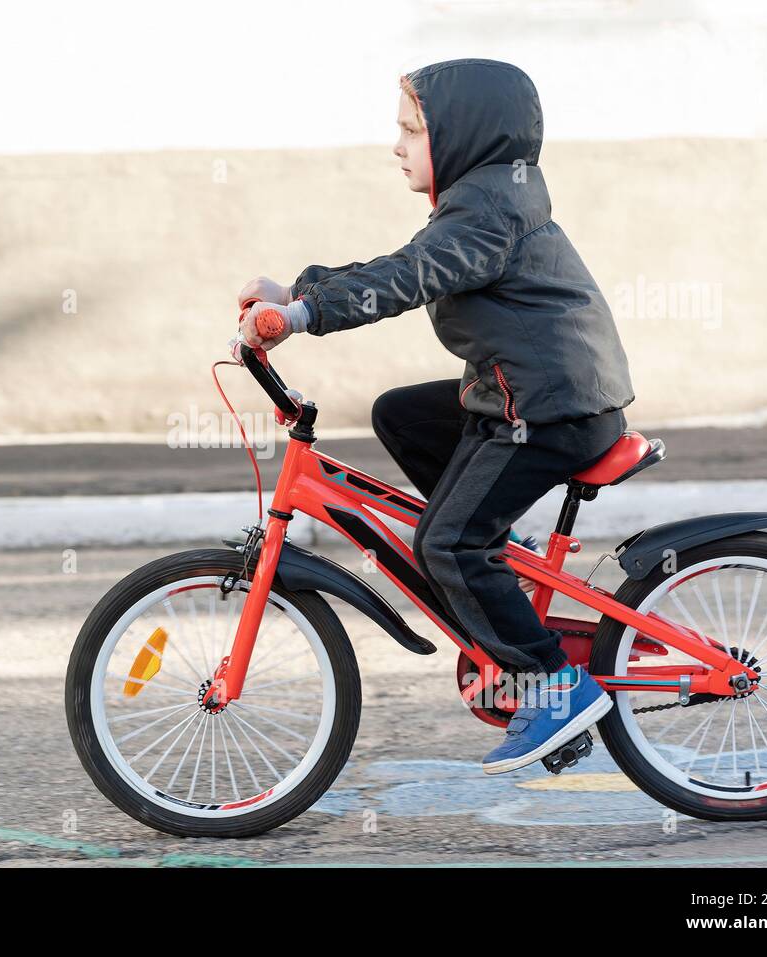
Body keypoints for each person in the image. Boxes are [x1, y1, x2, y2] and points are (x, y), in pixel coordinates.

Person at [236, 59, 635, 774]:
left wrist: (301, 313)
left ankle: (554, 684)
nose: (397, 145)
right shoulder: (483, 198)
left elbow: (407, 280)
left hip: (552, 411)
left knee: (443, 544)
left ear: (463, 136)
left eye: (412, 130)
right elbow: (408, 261)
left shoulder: (488, 207)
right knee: (402, 415)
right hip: (526, 396)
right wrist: (298, 288)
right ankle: (495, 554)